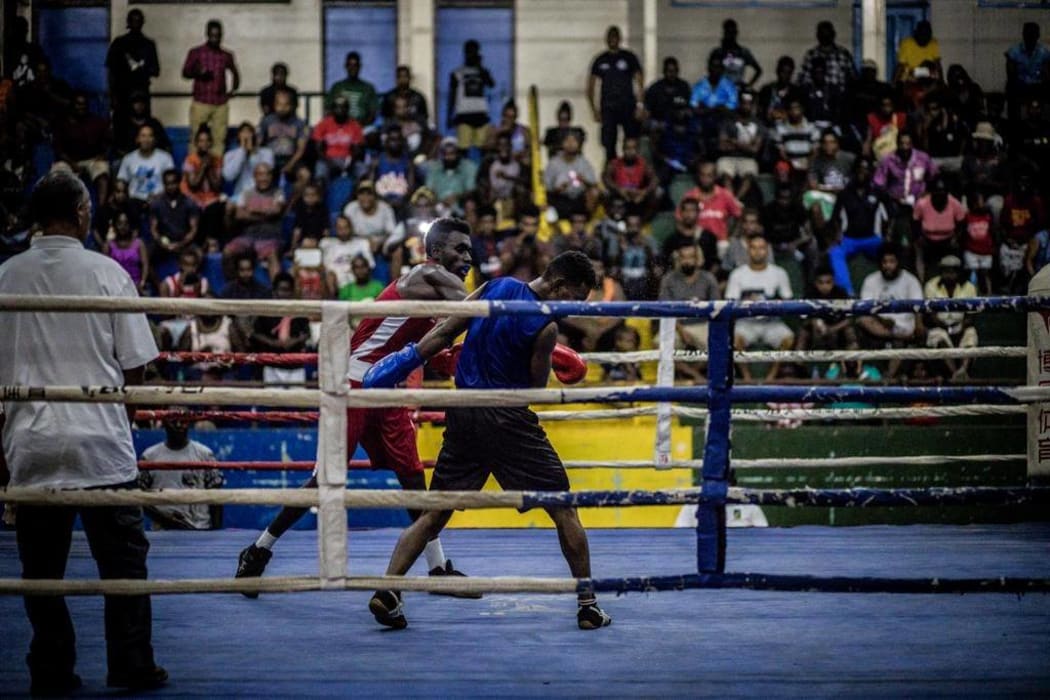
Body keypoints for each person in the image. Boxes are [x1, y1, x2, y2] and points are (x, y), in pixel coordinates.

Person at [363, 250, 610, 631]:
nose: (574, 309)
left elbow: (443, 332)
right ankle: (588, 606)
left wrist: (402, 362)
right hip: (508, 418)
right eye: (575, 298)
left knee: (435, 513)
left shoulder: (495, 286)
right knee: (564, 509)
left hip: (463, 412)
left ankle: (389, 591)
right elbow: (532, 392)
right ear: (560, 285)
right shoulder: (544, 327)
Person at [236, 218, 480, 593]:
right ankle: (257, 550)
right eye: (459, 248)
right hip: (352, 383)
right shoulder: (425, 276)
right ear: (434, 252)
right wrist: (528, 299)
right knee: (325, 480)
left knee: (413, 476)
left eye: (469, 248)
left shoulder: (441, 300)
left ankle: (438, 567)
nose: (467, 255)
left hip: (388, 387)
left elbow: (436, 344)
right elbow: (478, 307)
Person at [0, 169, 166, 694]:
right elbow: (136, 366)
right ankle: (131, 664)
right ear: (79, 213)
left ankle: (51, 667)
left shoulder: (6, 276)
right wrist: (120, 416)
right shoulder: (106, 273)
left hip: (30, 442)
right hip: (99, 442)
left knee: (40, 570)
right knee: (123, 563)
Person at [725, 235, 794, 381]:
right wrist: (747, 302)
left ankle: (771, 376)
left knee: (788, 338)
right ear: (748, 250)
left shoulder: (779, 273)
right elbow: (730, 303)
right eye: (754, 248)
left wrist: (771, 302)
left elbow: (788, 301)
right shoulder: (737, 274)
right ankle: (747, 377)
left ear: (767, 250)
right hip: (746, 323)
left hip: (772, 323)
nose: (758, 252)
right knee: (734, 339)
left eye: (761, 248)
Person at [139, 415, 223, 530]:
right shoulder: (150, 456)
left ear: (189, 422)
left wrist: (216, 534)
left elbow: (216, 496)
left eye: (183, 421)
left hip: (200, 529)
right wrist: (165, 520)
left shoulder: (204, 454)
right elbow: (138, 496)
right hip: (163, 533)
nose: (178, 425)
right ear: (165, 422)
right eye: (173, 420)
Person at [858, 243, 924, 379]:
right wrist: (882, 320)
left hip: (904, 327)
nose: (887, 266)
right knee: (862, 320)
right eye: (884, 262)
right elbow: (867, 307)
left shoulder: (910, 280)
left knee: (918, 333)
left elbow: (918, 307)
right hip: (880, 327)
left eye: (891, 261)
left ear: (898, 262)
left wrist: (918, 326)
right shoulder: (871, 280)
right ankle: (897, 338)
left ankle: (889, 377)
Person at [659, 242, 720, 382]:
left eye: (691, 257)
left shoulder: (708, 278)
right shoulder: (669, 279)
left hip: (703, 324)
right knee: (659, 344)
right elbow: (666, 309)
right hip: (678, 325)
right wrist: (681, 330)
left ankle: (692, 374)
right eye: (683, 258)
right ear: (678, 260)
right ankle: (696, 377)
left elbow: (716, 308)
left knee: (719, 343)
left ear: (697, 259)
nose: (687, 261)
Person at [827, 158, 888, 295]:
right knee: (835, 252)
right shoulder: (844, 194)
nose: (862, 173)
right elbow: (835, 218)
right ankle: (847, 293)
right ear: (854, 172)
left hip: (873, 239)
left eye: (866, 170)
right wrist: (837, 235)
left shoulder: (878, 193)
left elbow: (890, 216)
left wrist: (887, 235)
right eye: (859, 170)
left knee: (890, 252)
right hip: (850, 239)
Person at [181, 20, 240, 158]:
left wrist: (233, 90)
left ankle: (215, 169)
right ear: (207, 34)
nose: (215, 39)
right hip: (201, 101)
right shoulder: (196, 52)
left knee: (219, 139)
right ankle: (194, 168)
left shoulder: (226, 55)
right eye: (213, 35)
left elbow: (235, 72)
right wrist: (199, 74)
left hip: (220, 103)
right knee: (196, 136)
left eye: (218, 36)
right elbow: (185, 73)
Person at [588, 25, 644, 162]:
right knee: (609, 144)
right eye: (610, 37)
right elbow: (591, 86)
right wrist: (594, 109)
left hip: (628, 106)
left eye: (615, 36)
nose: (612, 40)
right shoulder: (600, 60)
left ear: (619, 39)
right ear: (606, 39)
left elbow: (639, 82)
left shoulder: (629, 57)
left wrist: (640, 105)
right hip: (608, 108)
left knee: (631, 141)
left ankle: (631, 171)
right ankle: (611, 175)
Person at [923, 255, 978, 380]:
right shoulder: (931, 285)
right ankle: (955, 374)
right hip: (940, 326)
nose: (949, 274)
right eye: (945, 271)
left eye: (952, 271)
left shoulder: (969, 287)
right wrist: (946, 328)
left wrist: (959, 328)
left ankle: (963, 370)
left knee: (971, 333)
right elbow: (931, 316)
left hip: (961, 326)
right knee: (937, 335)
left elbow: (971, 317)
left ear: (958, 272)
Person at [53, 91, 111, 206]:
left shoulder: (97, 122)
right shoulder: (63, 123)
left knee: (103, 170)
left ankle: (101, 209)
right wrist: (73, 164)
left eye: (84, 104)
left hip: (92, 160)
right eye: (78, 104)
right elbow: (58, 150)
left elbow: (108, 142)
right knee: (56, 173)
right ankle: (60, 213)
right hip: (69, 161)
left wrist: (103, 155)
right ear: (73, 105)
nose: (81, 107)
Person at [106, 9, 160, 124]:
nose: (136, 23)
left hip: (141, 94)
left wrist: (142, 69)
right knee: (121, 127)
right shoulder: (119, 43)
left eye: (138, 21)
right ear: (128, 22)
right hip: (122, 94)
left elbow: (156, 70)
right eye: (133, 21)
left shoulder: (148, 44)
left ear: (142, 22)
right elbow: (111, 71)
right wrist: (112, 96)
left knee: (142, 127)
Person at [912, 177, 966, 281]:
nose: (939, 194)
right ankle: (923, 282)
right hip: (927, 240)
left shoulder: (954, 203)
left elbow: (962, 223)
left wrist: (956, 238)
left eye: (942, 191)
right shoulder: (922, 204)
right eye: (936, 191)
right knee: (918, 254)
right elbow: (915, 223)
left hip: (948, 241)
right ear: (931, 192)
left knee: (955, 258)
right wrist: (919, 238)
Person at [448, 40, 495, 152]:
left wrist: (480, 67)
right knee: (463, 149)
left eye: (475, 51)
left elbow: (491, 84)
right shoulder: (457, 72)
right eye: (470, 52)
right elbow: (452, 96)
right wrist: (449, 116)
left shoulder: (483, 72)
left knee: (482, 148)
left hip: (481, 115)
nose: (472, 54)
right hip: (464, 115)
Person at [150, 168, 200, 273]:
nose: (170, 186)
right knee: (146, 256)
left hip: (184, 242)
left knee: (198, 254)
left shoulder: (189, 203)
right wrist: (161, 242)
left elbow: (193, 230)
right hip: (163, 242)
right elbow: (153, 229)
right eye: (167, 184)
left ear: (179, 183)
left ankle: (190, 284)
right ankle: (160, 286)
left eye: (173, 183)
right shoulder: (156, 204)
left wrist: (180, 244)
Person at [258, 88, 309, 186]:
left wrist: (290, 165)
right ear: (274, 105)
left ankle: (291, 201)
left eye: (286, 105)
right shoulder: (266, 121)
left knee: (305, 175)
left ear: (292, 106)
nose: (282, 108)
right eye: (279, 104)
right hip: (270, 159)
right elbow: (258, 143)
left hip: (291, 158)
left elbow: (301, 149)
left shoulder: (300, 123)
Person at [118, 123, 175, 208]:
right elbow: (121, 182)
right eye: (143, 136)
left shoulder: (165, 158)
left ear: (154, 139)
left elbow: (172, 183)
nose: (146, 139)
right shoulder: (128, 159)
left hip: (159, 199)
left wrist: (158, 197)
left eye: (150, 136)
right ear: (137, 139)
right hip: (135, 201)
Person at [545, 132, 600, 219]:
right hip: (560, 198)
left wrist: (583, 180)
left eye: (574, 141)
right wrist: (557, 189)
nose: (571, 144)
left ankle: (589, 221)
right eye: (567, 141)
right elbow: (547, 187)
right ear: (562, 144)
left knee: (594, 192)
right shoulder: (553, 163)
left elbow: (593, 183)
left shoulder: (584, 162)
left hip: (579, 198)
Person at [312, 95, 364, 183]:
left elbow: (357, 150)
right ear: (332, 109)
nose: (340, 110)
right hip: (328, 159)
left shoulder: (355, 126)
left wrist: (349, 164)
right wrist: (329, 163)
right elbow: (318, 149)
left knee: (362, 171)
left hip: (348, 160)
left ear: (348, 109)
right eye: (337, 107)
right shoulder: (323, 124)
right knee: (320, 173)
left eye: (343, 107)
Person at [1005, 23, 1050, 123]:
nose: (1030, 37)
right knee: (1011, 89)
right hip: (1020, 86)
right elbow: (1011, 75)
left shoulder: (1044, 53)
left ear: (1038, 36)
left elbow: (1047, 74)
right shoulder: (1014, 52)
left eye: (1033, 34)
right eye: (1028, 34)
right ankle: (1014, 124)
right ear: (1023, 35)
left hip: (1038, 86)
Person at [798, 20, 856, 94]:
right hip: (817, 100)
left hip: (840, 100)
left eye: (827, 33)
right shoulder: (811, 55)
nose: (825, 36)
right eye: (822, 33)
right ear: (817, 35)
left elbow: (853, 79)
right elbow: (803, 80)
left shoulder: (844, 54)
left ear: (833, 35)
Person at [222, 121, 275, 200]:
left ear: (254, 135)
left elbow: (265, 172)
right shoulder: (230, 155)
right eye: (243, 132)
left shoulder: (267, 152)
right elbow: (229, 176)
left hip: (262, 195)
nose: (246, 135)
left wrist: (253, 151)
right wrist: (242, 151)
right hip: (240, 195)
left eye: (249, 132)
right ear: (238, 136)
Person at [326, 51, 378, 127]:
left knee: (373, 135)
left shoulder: (368, 88)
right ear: (345, 66)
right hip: (340, 126)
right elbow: (328, 109)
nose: (352, 68)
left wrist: (360, 126)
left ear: (359, 67)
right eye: (350, 65)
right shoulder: (337, 87)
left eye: (355, 65)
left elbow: (373, 113)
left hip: (362, 126)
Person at [104, 211, 149, 294]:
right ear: (115, 225)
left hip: (135, 286)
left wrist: (142, 282)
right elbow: (104, 268)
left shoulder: (139, 244)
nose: (123, 227)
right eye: (119, 223)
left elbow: (145, 265)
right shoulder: (109, 245)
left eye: (126, 223)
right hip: (114, 287)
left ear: (130, 225)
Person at [709, 19, 762, 89]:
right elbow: (710, 70)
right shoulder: (718, 52)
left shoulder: (743, 52)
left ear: (736, 33)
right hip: (722, 89)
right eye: (727, 32)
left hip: (738, 89)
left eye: (732, 32)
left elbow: (758, 70)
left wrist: (749, 85)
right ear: (724, 33)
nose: (729, 36)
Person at [894, 20, 942, 88]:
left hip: (927, 80)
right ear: (916, 33)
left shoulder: (933, 44)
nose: (925, 38)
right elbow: (901, 66)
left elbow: (938, 66)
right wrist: (894, 82)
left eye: (927, 35)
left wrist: (942, 82)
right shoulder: (907, 43)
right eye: (922, 34)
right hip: (910, 80)